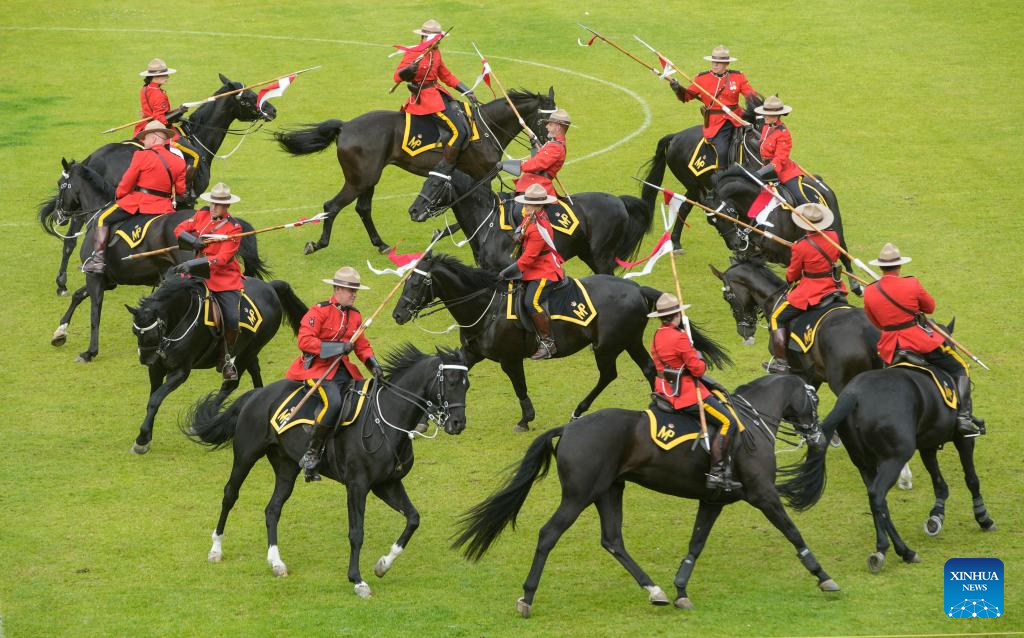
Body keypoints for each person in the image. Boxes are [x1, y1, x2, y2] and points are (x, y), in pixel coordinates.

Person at [863, 243, 982, 436]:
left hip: (890, 347)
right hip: (918, 341)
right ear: (899, 266)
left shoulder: (869, 291)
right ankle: (963, 417)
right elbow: (930, 307)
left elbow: (875, 321)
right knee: (960, 367)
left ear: (880, 267)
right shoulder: (911, 283)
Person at [285, 267, 383, 482]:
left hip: (342, 369)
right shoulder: (318, 311)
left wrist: (373, 364)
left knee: (364, 399)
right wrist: (338, 348)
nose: (354, 294)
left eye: (355, 290)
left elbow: (362, 346)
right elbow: (305, 341)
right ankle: (311, 453)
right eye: (350, 290)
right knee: (334, 403)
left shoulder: (355, 316)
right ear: (337, 289)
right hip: (317, 369)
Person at [648, 293, 742, 491]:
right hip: (687, 393)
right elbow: (698, 370)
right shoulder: (680, 338)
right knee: (729, 422)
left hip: (665, 389)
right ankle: (717, 473)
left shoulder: (657, 336)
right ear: (677, 315)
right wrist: (695, 353)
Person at [82, 120, 187, 274]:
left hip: (140, 202)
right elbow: (180, 190)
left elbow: (127, 182)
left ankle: (98, 260)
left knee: (101, 219)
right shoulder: (179, 161)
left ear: (154, 137)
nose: (143, 141)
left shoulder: (141, 156)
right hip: (164, 207)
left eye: (145, 137)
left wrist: (119, 195)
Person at [173, 183, 245, 380]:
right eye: (212, 203)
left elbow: (222, 260)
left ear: (227, 207)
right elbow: (179, 229)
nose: (213, 207)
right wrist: (191, 240)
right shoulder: (201, 215)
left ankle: (226, 358)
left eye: (218, 204)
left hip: (222, 278)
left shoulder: (234, 228)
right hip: (195, 271)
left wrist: (194, 263)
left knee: (231, 318)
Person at [393, 19, 479, 178]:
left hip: (438, 94)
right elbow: (397, 77)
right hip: (425, 100)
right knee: (458, 131)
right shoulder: (413, 53)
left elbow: (446, 75)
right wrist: (408, 71)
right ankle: (445, 167)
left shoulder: (435, 52)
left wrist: (467, 90)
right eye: (436, 39)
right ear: (424, 37)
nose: (439, 41)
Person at [767, 203, 847, 373]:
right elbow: (836, 256)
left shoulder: (800, 246)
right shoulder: (833, 236)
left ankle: (781, 362)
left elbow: (793, 274)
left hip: (812, 290)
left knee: (776, 318)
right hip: (834, 286)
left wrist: (791, 276)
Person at [499, 184, 565, 360]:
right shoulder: (530, 217)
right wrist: (518, 234)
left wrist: (506, 272)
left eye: (528, 204)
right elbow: (521, 228)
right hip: (534, 267)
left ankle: (548, 342)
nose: (524, 206)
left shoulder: (537, 228)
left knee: (531, 303)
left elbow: (527, 259)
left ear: (538, 206)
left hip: (545, 270)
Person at [668, 45, 760, 168]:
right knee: (722, 150)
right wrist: (677, 89)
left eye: (719, 62)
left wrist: (759, 108)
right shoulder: (702, 78)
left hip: (737, 118)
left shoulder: (738, 77)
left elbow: (751, 96)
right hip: (716, 123)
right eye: (713, 61)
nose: (715, 64)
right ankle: (721, 175)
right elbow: (686, 97)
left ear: (726, 63)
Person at [135, 58, 200, 193]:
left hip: (144, 126)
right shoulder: (159, 95)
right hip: (159, 130)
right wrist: (178, 112)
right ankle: (184, 190)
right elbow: (161, 120)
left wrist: (177, 113)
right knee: (195, 155)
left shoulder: (145, 89)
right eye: (164, 75)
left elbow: (155, 113)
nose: (167, 77)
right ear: (155, 76)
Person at [497, 109, 571, 198]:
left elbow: (536, 164)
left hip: (536, 187)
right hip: (530, 184)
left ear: (558, 127)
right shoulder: (554, 144)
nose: (547, 127)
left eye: (550, 124)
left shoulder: (556, 147)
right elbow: (540, 158)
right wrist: (536, 147)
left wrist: (511, 165)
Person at [753, 95, 813, 204]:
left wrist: (763, 172)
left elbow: (780, 158)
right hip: (766, 170)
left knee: (799, 199)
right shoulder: (766, 127)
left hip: (785, 173)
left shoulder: (783, 133)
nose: (764, 116)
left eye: (768, 114)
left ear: (776, 115)